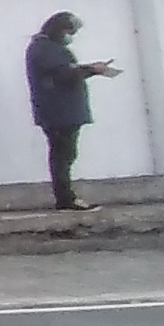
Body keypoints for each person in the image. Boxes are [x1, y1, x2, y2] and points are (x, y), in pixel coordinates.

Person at [26, 13, 120, 211]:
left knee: (65, 154)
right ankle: (65, 198)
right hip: (58, 111)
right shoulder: (44, 49)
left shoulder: (49, 48)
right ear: (59, 29)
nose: (71, 36)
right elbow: (63, 74)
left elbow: (65, 71)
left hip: (61, 111)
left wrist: (88, 69)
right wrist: (92, 70)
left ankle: (66, 197)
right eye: (70, 32)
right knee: (62, 155)